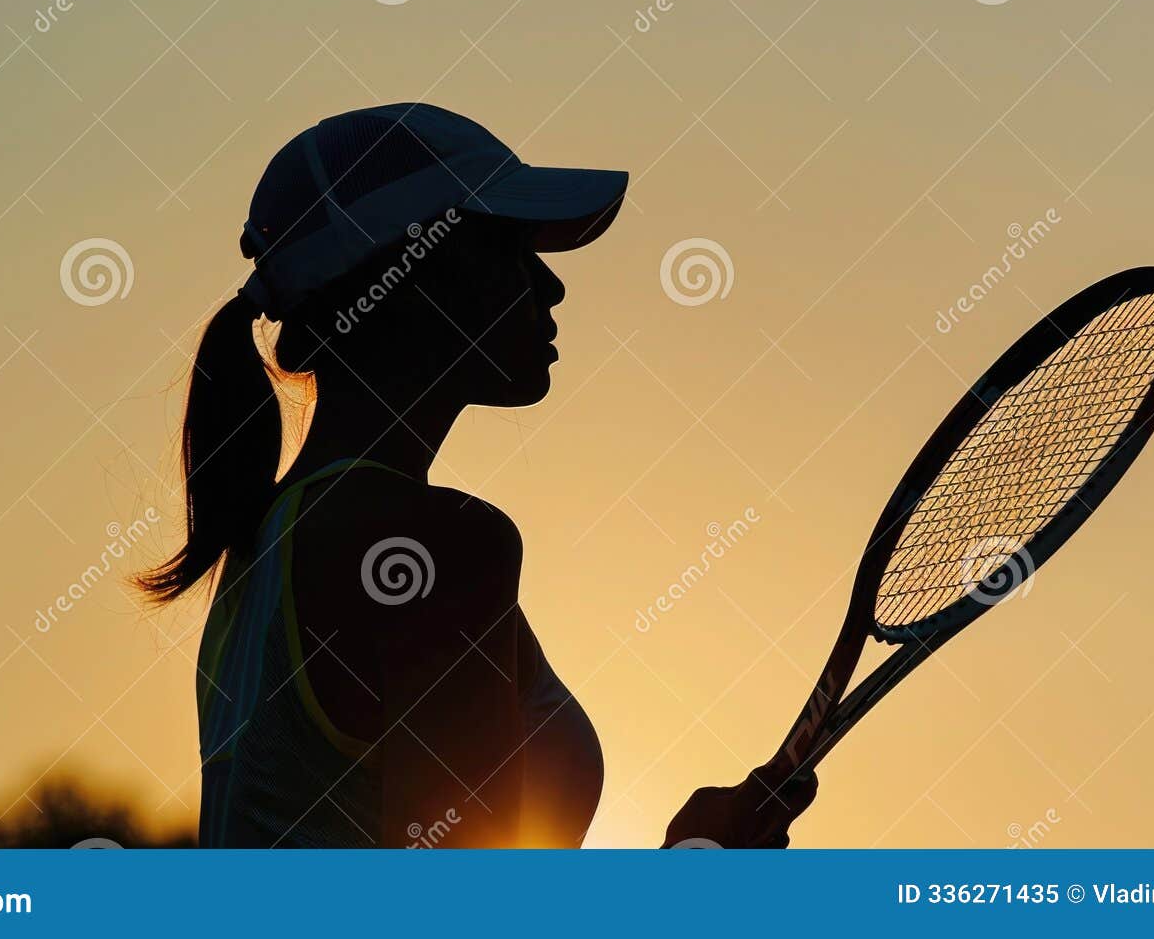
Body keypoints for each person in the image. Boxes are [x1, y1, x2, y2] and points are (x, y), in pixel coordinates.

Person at [138, 102, 815, 848]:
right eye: (511, 247)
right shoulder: (434, 542)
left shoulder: (262, 551)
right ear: (415, 271)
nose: (548, 286)